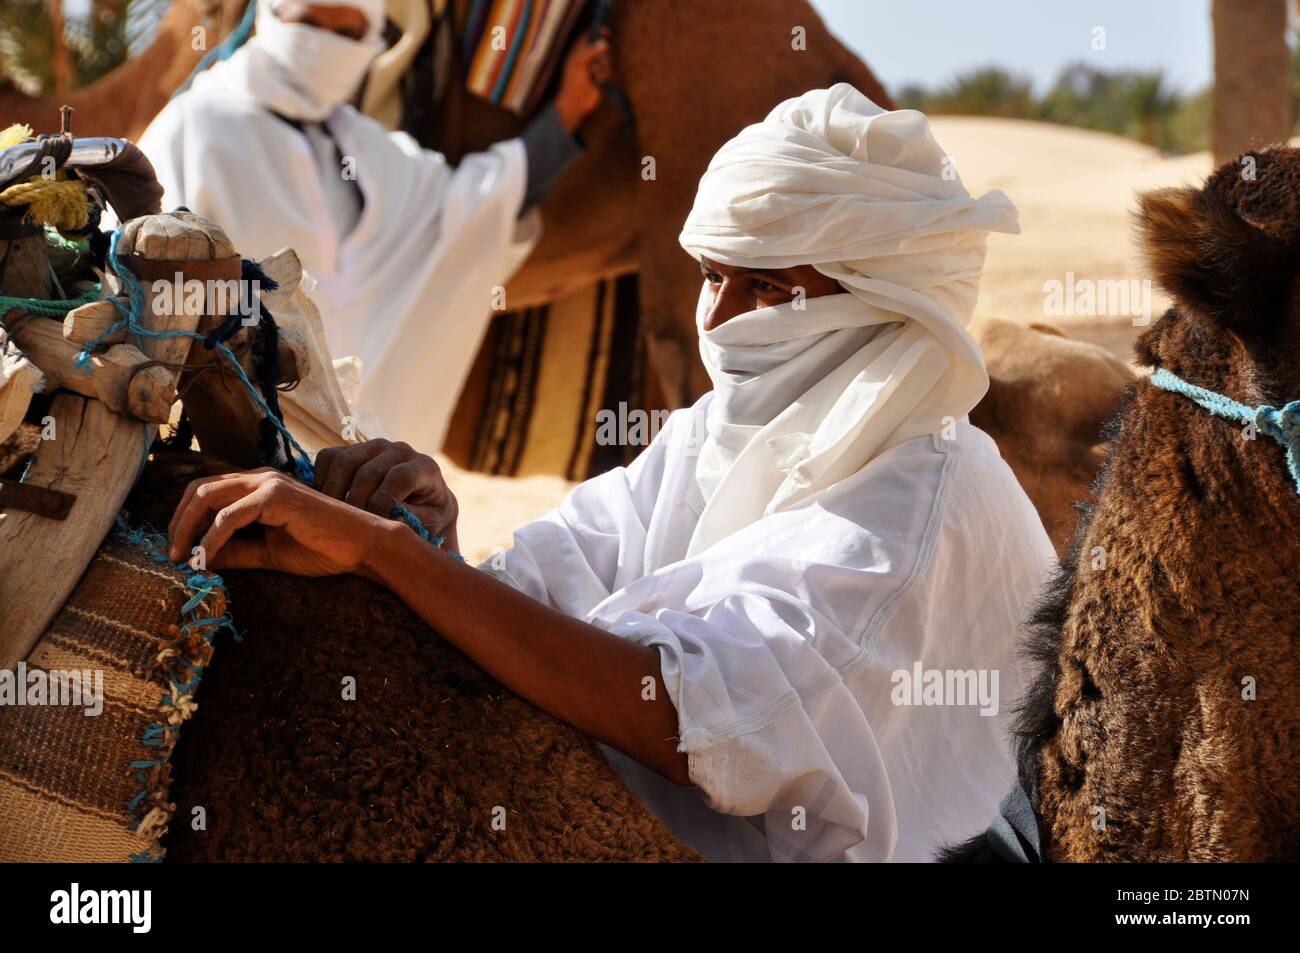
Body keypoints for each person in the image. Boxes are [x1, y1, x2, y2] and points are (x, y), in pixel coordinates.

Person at [167, 85, 1055, 862]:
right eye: (712, 276)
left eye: (767, 288)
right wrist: (428, 529)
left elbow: (689, 717)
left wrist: (391, 556)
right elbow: (554, 581)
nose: (721, 317)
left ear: (882, 299)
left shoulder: (917, 504)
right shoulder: (722, 432)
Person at [135, 0, 611, 452]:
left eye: (348, 34)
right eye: (311, 24)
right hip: (215, 441)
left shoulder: (362, 146)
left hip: (352, 470)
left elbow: (471, 205)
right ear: (273, 14)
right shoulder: (196, 125)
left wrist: (565, 114)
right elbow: (145, 268)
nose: (326, 46)